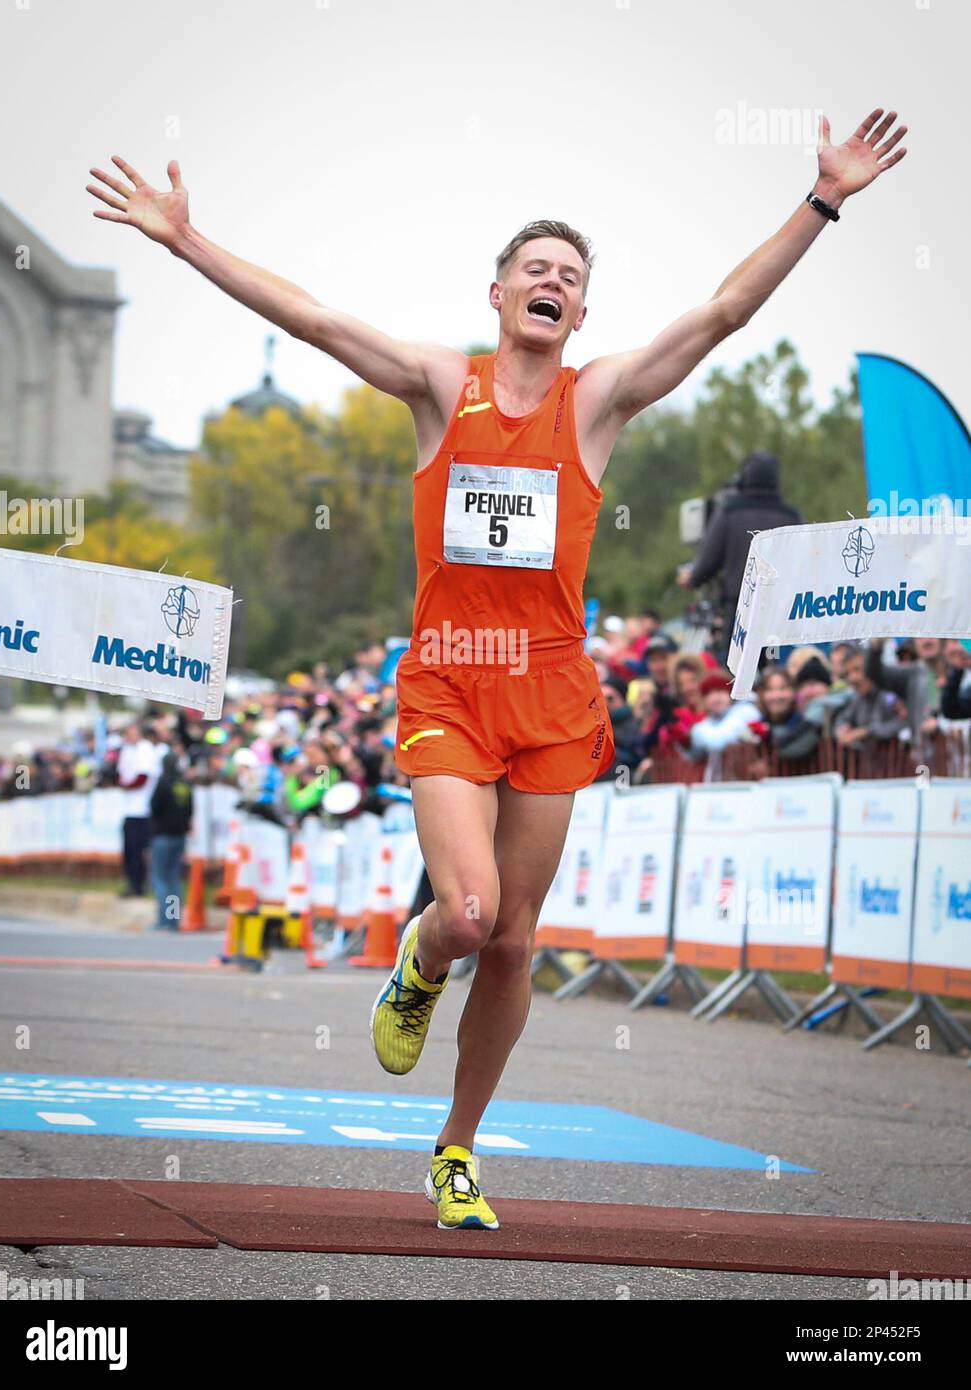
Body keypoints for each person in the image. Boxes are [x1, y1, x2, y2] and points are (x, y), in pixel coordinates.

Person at [88, 106, 907, 1230]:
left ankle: (456, 1150)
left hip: (551, 692)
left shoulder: (599, 400)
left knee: (517, 935)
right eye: (535, 265)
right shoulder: (439, 384)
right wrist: (187, 240)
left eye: (570, 275)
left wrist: (819, 202)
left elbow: (721, 312)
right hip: (446, 683)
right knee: (467, 915)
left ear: (578, 310)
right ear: (498, 293)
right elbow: (316, 319)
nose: (552, 281)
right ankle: (419, 967)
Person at [678, 451, 803, 660]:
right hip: (779, 609)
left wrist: (692, 578)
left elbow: (709, 559)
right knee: (775, 669)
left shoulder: (729, 512)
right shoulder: (791, 515)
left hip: (739, 607)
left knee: (735, 668)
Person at [115, 721, 165, 898]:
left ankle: (138, 884)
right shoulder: (128, 750)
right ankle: (132, 882)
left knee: (138, 851)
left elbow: (143, 776)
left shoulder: (145, 749)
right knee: (129, 850)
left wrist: (127, 785)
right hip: (130, 808)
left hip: (142, 808)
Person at [148, 748, 193, 931]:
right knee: (173, 879)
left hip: (163, 836)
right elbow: (190, 810)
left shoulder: (163, 783)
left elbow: (153, 807)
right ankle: (173, 919)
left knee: (160, 878)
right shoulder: (184, 783)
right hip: (180, 836)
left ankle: (163, 920)